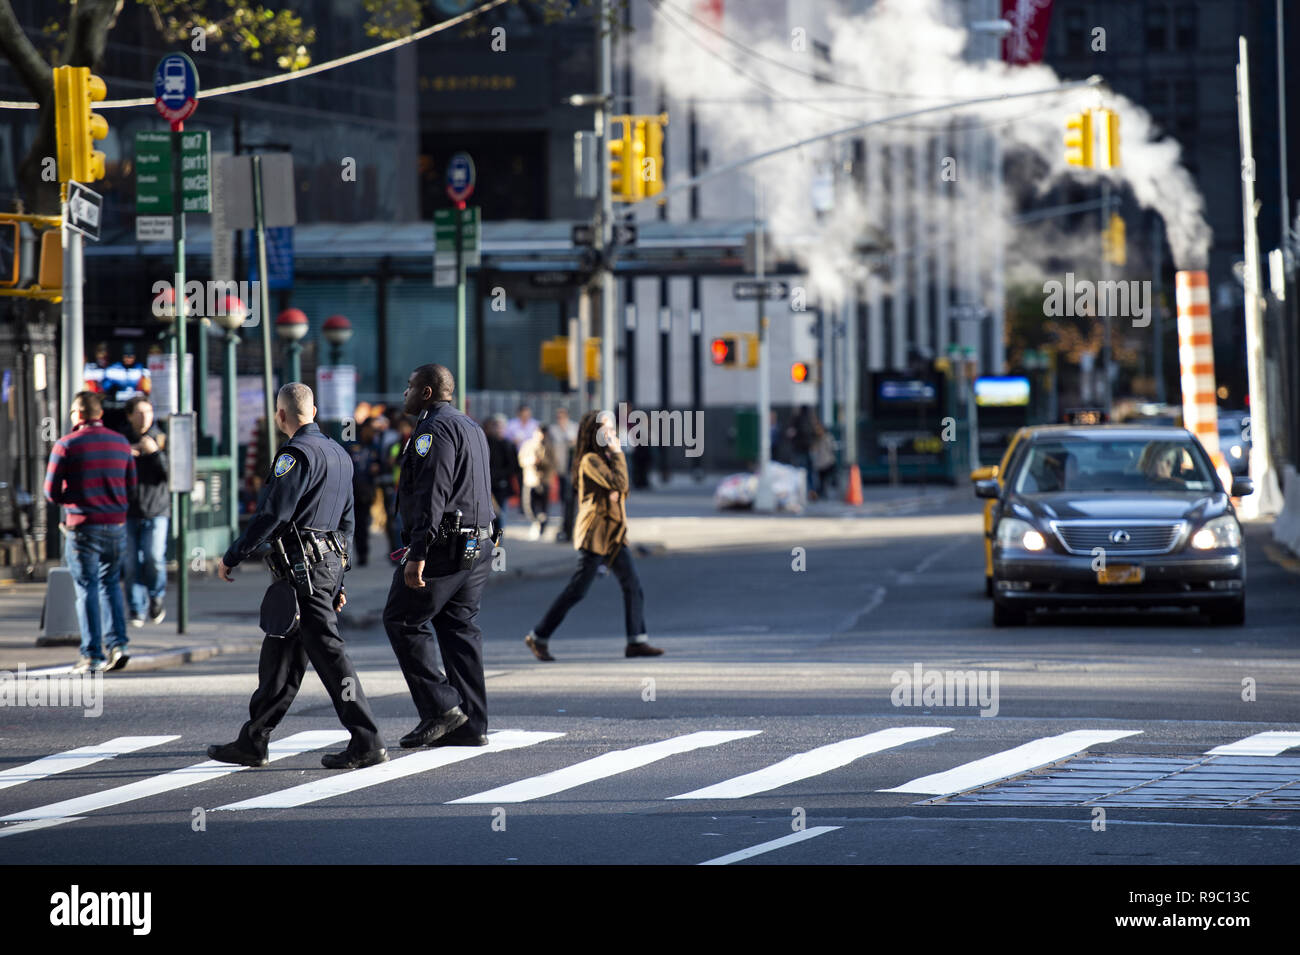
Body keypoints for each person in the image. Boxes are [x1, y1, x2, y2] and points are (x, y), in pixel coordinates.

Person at [208, 383, 387, 771]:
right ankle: (253, 739)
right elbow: (348, 522)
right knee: (281, 653)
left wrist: (234, 554)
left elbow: (275, 515)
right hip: (321, 567)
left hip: (302, 571)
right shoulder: (339, 453)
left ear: (281, 415)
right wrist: (339, 579)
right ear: (315, 410)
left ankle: (368, 740)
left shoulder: (294, 455)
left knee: (330, 656)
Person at [382, 363, 497, 748]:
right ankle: (471, 723)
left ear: (427, 392)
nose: (405, 393)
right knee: (458, 628)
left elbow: (434, 492)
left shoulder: (433, 430)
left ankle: (441, 709)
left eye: (410, 386)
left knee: (401, 619)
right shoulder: (471, 425)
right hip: (477, 544)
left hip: (444, 548)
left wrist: (418, 553)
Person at [524, 410, 664, 661]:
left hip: (613, 534)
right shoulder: (591, 460)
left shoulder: (606, 459)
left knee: (632, 586)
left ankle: (636, 641)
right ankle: (538, 637)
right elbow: (620, 485)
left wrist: (616, 483)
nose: (611, 434)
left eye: (612, 429)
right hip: (595, 534)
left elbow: (622, 488)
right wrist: (619, 456)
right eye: (606, 430)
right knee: (577, 591)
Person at [44, 392, 137, 673]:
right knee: (110, 585)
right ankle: (119, 645)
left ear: (77, 414)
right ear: (100, 414)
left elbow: (50, 491)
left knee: (87, 588)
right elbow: (131, 489)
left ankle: (92, 654)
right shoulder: (121, 443)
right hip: (116, 526)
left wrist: (72, 501)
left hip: (83, 527)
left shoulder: (66, 445)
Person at [122, 397, 169, 627]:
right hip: (128, 511)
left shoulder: (161, 437)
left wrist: (154, 454)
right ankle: (136, 608)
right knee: (131, 563)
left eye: (148, 412)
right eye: (139, 413)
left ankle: (156, 597)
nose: (145, 418)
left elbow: (171, 475)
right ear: (130, 416)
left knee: (153, 558)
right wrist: (125, 455)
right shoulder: (121, 441)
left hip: (156, 509)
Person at [345, 419, 381, 566]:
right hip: (352, 490)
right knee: (350, 524)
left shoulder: (373, 446)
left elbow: (380, 464)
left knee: (362, 525)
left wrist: (377, 468)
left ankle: (363, 554)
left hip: (365, 491)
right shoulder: (352, 444)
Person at [518, 427, 555, 540]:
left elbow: (553, 463)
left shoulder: (549, 446)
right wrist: (531, 460)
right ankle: (536, 521)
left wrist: (542, 461)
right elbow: (521, 460)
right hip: (530, 479)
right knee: (528, 505)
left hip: (544, 480)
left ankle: (542, 524)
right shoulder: (528, 445)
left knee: (543, 506)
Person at [549, 407, 578, 541]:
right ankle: (565, 528)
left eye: (563, 417)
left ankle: (570, 529)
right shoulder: (554, 430)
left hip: (573, 470)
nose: (560, 420)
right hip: (560, 469)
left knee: (572, 501)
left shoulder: (574, 427)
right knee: (564, 501)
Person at [809, 420, 836, 500]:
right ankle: (820, 494)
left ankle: (824, 493)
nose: (818, 431)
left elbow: (831, 448)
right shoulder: (814, 439)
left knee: (825, 480)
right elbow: (812, 451)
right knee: (820, 480)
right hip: (818, 463)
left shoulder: (827, 437)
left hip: (827, 462)